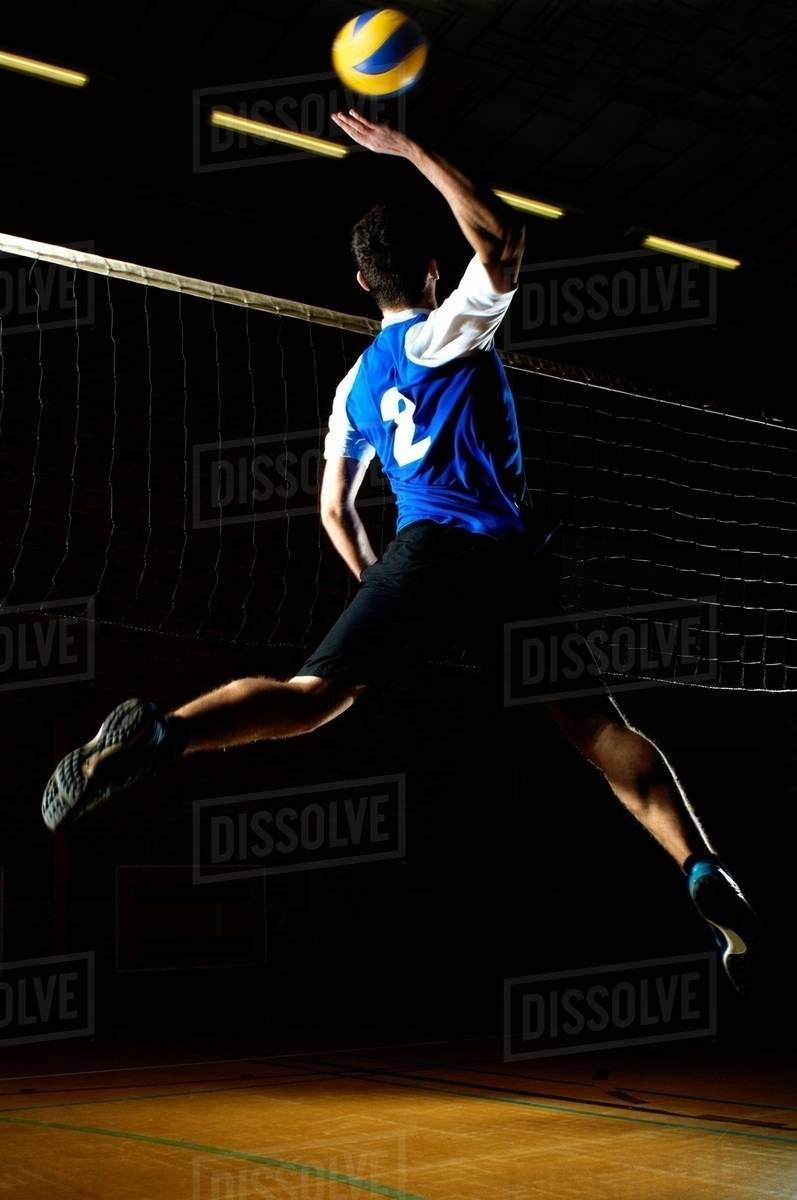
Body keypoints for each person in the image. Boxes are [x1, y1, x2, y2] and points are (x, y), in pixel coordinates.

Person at [41, 111, 757, 993]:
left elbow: (333, 510)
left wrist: (388, 593)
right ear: (428, 269)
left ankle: (162, 732)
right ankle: (695, 862)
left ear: (356, 282)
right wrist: (415, 149)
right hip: (509, 561)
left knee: (311, 699)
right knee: (596, 727)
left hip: (417, 558)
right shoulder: (447, 329)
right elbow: (500, 241)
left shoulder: (355, 386)